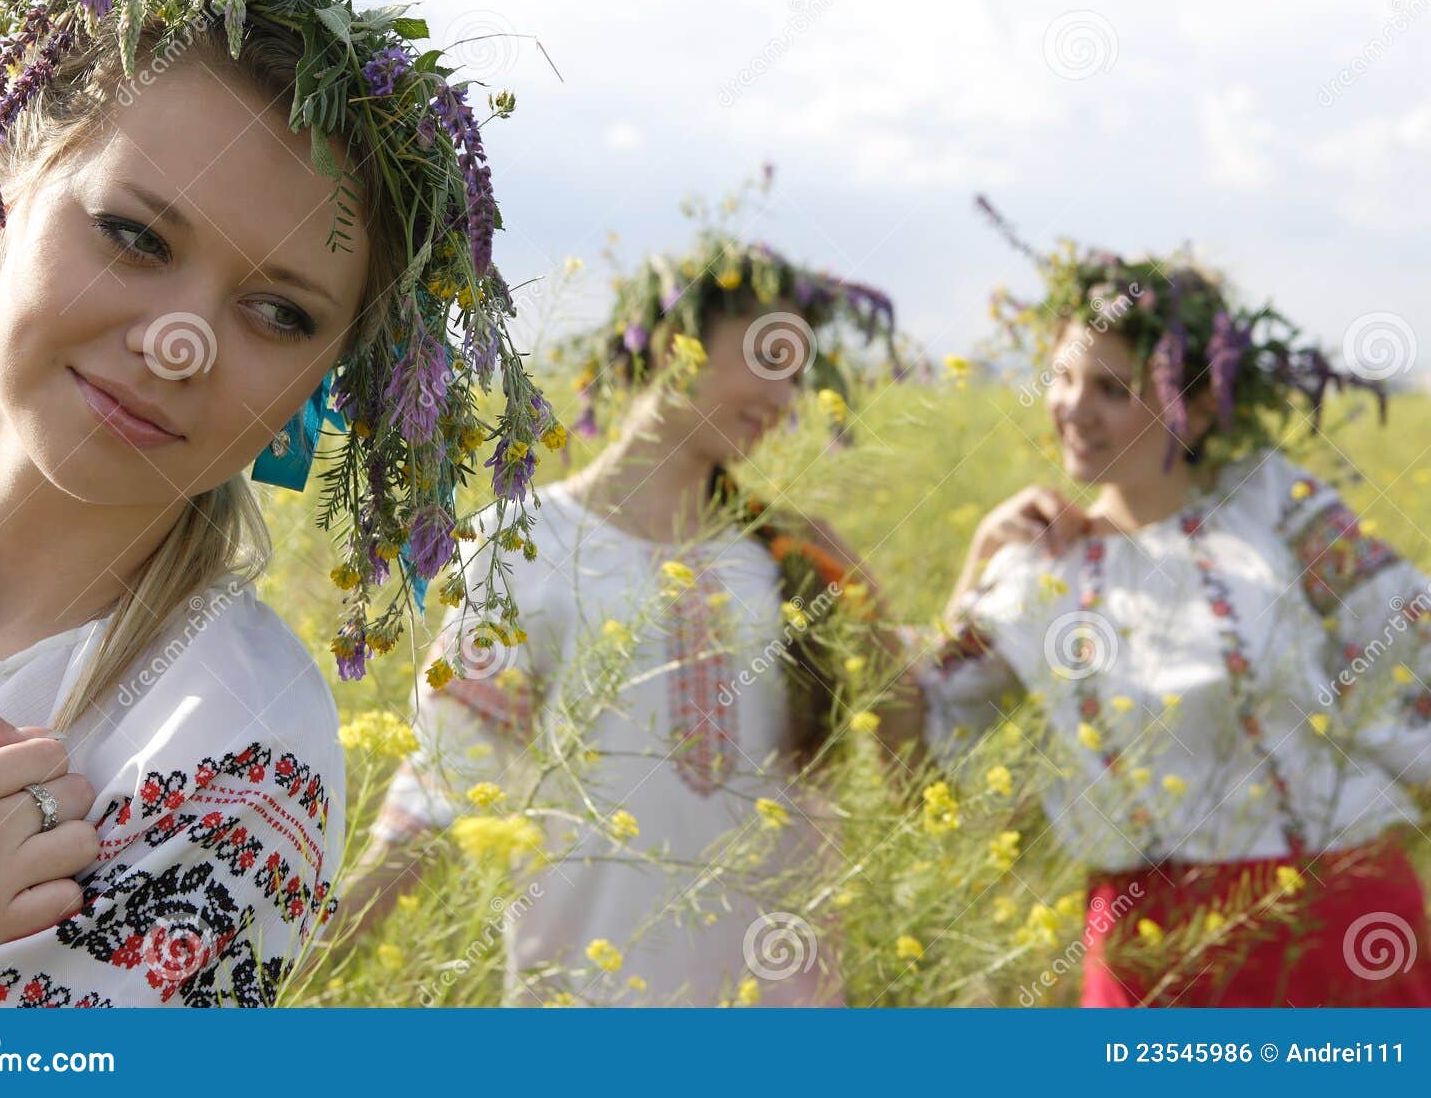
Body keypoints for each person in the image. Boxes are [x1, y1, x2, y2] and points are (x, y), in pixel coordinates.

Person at [0, 0, 547, 1007]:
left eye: (279, 312)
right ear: (7, 197)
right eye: (134, 234)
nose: (178, 341)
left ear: (319, 388)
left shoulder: (233, 758)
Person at [341, 198, 921, 1006]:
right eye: (768, 356)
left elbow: (903, 760)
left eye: (798, 372)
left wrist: (870, 602)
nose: (787, 396)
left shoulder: (782, 555)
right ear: (677, 347)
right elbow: (443, 783)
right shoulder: (525, 543)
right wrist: (320, 947)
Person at [919, 202, 1431, 1006]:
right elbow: (924, 719)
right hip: (1145, 941)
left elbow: (1408, 637)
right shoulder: (1040, 566)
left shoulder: (1276, 506)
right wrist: (976, 556)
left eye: (1111, 387)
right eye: (1061, 377)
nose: (1073, 408)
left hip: (1334, 920)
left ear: (1184, 401)